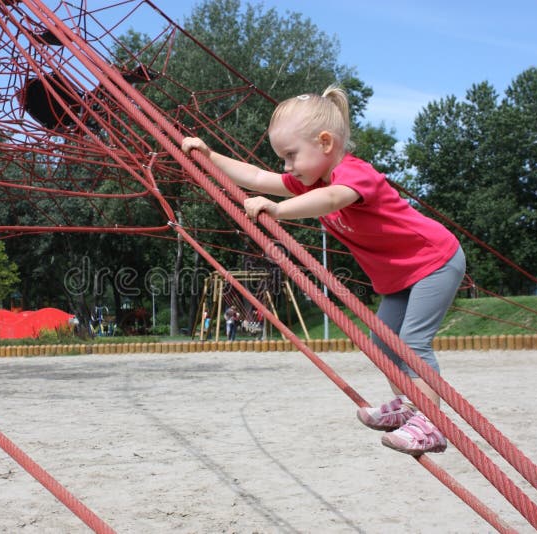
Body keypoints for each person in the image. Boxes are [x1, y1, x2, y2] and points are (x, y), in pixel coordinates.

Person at [181, 84, 466, 455]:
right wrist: (210, 156)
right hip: (399, 277)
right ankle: (410, 408)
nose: (286, 167)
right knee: (380, 343)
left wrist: (278, 210)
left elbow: (331, 199)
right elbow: (255, 176)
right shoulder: (309, 181)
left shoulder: (354, 173)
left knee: (412, 344)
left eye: (291, 155)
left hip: (434, 262)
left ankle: (431, 423)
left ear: (326, 143)